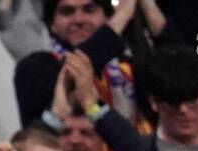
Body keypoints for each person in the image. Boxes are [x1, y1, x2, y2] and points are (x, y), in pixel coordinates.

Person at [13, 0, 178, 129]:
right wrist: (123, 14)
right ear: (52, 25)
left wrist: (148, 6)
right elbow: (78, 67)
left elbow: (183, 75)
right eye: (67, 11)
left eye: (89, 9)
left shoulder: (129, 67)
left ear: (106, 16)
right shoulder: (36, 68)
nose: (79, 20)